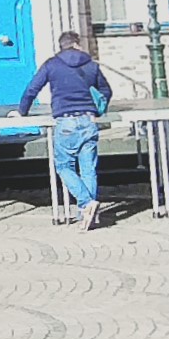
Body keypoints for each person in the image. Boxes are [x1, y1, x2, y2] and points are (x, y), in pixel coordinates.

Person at [17, 30, 115, 229]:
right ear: (77, 44)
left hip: (66, 121)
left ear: (61, 46)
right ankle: (88, 216)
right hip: (88, 120)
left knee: (63, 166)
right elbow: (106, 91)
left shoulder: (52, 64)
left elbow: (31, 89)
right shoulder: (91, 65)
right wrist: (98, 109)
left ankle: (86, 203)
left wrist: (22, 112)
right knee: (88, 169)